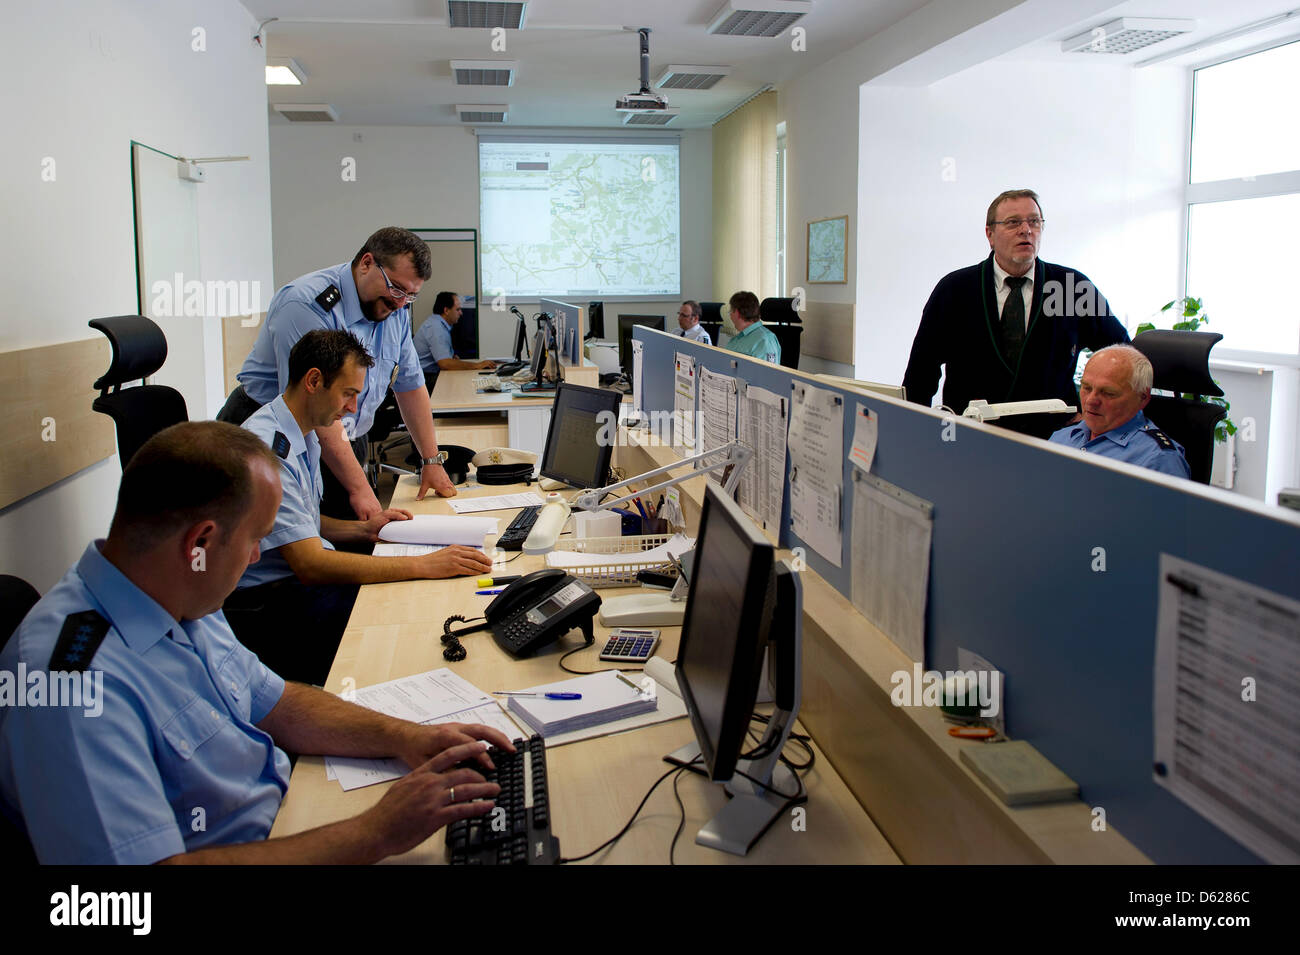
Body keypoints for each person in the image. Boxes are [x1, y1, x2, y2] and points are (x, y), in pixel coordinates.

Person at [0, 421, 511, 864]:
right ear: (199, 544)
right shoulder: (71, 686)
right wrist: (373, 833)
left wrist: (408, 737)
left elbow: (279, 703)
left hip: (291, 817)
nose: (257, 556)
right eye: (253, 539)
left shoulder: (178, 594)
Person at [224, 330, 494, 685]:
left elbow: (300, 523)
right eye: (348, 394)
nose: (352, 408)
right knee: (400, 623)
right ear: (314, 381)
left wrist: (362, 529)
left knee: (410, 598)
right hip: (270, 606)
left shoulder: (301, 430)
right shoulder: (268, 449)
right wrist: (423, 564)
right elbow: (310, 564)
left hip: (293, 583)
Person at [217, 227, 457, 520]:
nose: (399, 302)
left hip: (342, 435)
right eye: (395, 288)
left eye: (410, 295)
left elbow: (409, 385)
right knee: (297, 548)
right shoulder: (306, 304)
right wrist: (360, 489)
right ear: (367, 263)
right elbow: (313, 402)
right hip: (276, 438)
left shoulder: (395, 311)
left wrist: (431, 460)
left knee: (347, 536)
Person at [901, 189, 1129, 439]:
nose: (1026, 230)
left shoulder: (1070, 288)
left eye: (1034, 222)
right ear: (990, 234)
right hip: (971, 438)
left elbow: (1123, 355)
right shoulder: (955, 290)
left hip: (1053, 440)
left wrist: (1095, 411)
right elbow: (921, 374)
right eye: (1013, 223)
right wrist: (914, 435)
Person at [1048, 345, 1190, 478]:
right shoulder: (1062, 437)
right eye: (1087, 388)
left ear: (1142, 398)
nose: (1090, 401)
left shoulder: (1158, 460)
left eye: (1108, 393)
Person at [413, 291, 495, 391]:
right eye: (458, 309)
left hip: (427, 375)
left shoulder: (438, 324)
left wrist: (451, 358)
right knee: (465, 386)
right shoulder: (436, 328)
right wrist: (477, 365)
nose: (461, 313)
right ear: (446, 310)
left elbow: (445, 360)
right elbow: (445, 363)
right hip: (424, 378)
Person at [721, 291, 780, 364]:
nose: (730, 316)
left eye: (731, 312)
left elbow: (768, 374)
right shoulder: (736, 340)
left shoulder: (765, 341)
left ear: (737, 313)